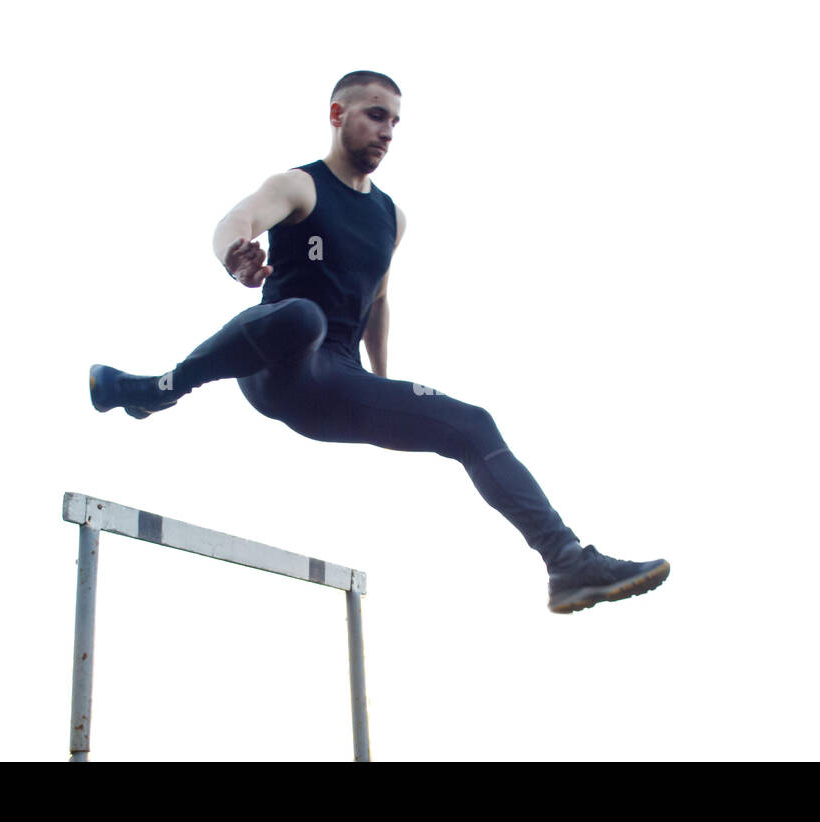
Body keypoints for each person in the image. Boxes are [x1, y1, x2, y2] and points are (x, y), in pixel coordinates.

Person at [88, 71, 669, 613]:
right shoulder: (300, 185)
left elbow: (378, 302)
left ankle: (565, 563)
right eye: (374, 116)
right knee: (303, 317)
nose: (386, 132)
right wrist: (236, 255)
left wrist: (381, 386)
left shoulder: (391, 216)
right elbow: (235, 219)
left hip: (335, 381)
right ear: (338, 114)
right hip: (275, 361)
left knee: (473, 424)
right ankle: (159, 387)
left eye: (394, 121)